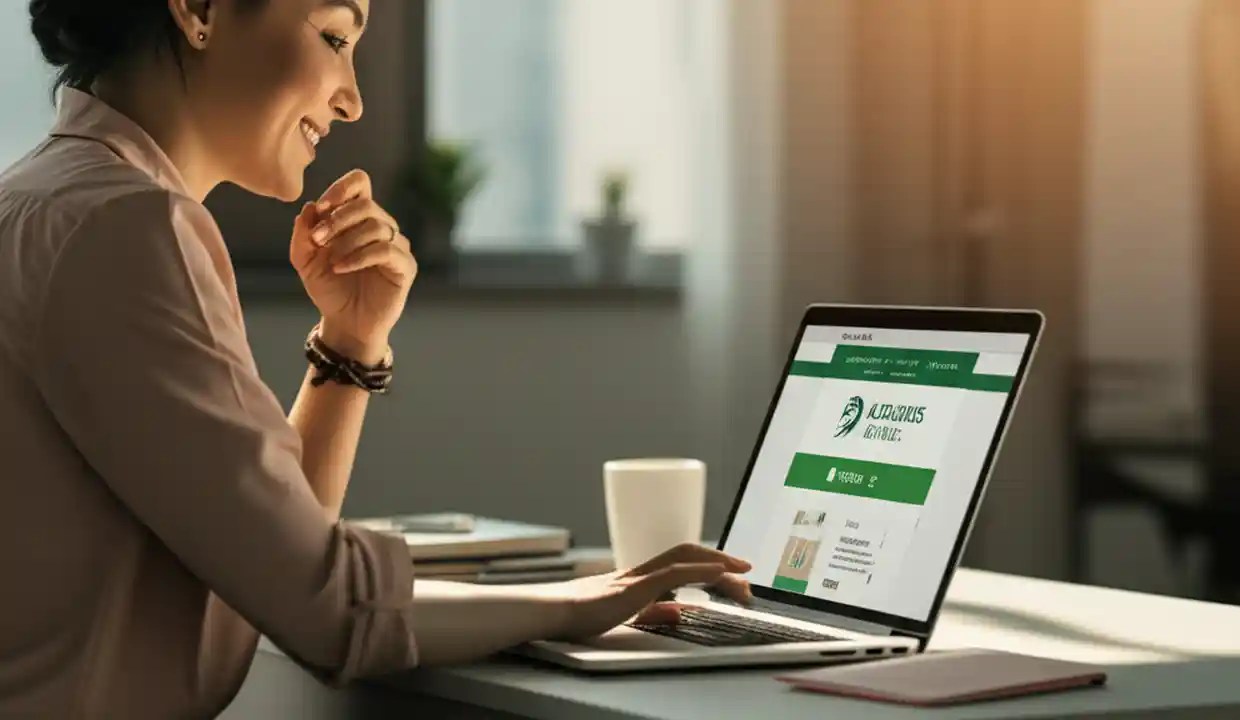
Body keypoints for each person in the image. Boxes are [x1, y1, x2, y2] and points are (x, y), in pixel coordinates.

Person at [0, 1, 752, 716]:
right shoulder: (128, 227)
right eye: (333, 37)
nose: (353, 100)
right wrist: (583, 598)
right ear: (198, 11)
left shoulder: (46, 202)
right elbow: (325, 609)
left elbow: (273, 555)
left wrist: (350, 345)